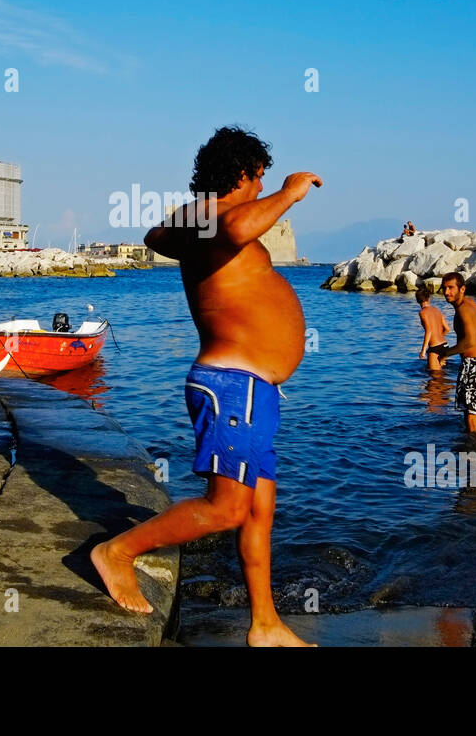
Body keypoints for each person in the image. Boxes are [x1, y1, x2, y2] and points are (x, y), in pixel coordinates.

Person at [91, 126, 320, 647]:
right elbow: (232, 229)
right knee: (227, 508)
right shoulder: (222, 226)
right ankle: (117, 552)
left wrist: (198, 213)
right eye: (259, 179)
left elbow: (158, 236)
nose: (263, 190)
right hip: (232, 385)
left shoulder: (202, 225)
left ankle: (264, 625)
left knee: (260, 505)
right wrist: (290, 193)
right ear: (243, 174)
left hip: (253, 389)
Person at [429, 271, 476, 433]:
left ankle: (473, 452)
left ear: (462, 289)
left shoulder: (462, 310)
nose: (446, 292)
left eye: (451, 288)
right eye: (444, 288)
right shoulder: (472, 304)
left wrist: (445, 354)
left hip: (473, 365)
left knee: (470, 415)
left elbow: (469, 342)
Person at [415, 286, 450, 371]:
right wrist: (439, 336)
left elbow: (429, 330)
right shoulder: (437, 310)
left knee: (435, 377)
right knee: (443, 376)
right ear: (429, 298)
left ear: (417, 300)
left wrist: (423, 350)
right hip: (445, 345)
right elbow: (447, 329)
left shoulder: (422, 312)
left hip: (435, 348)